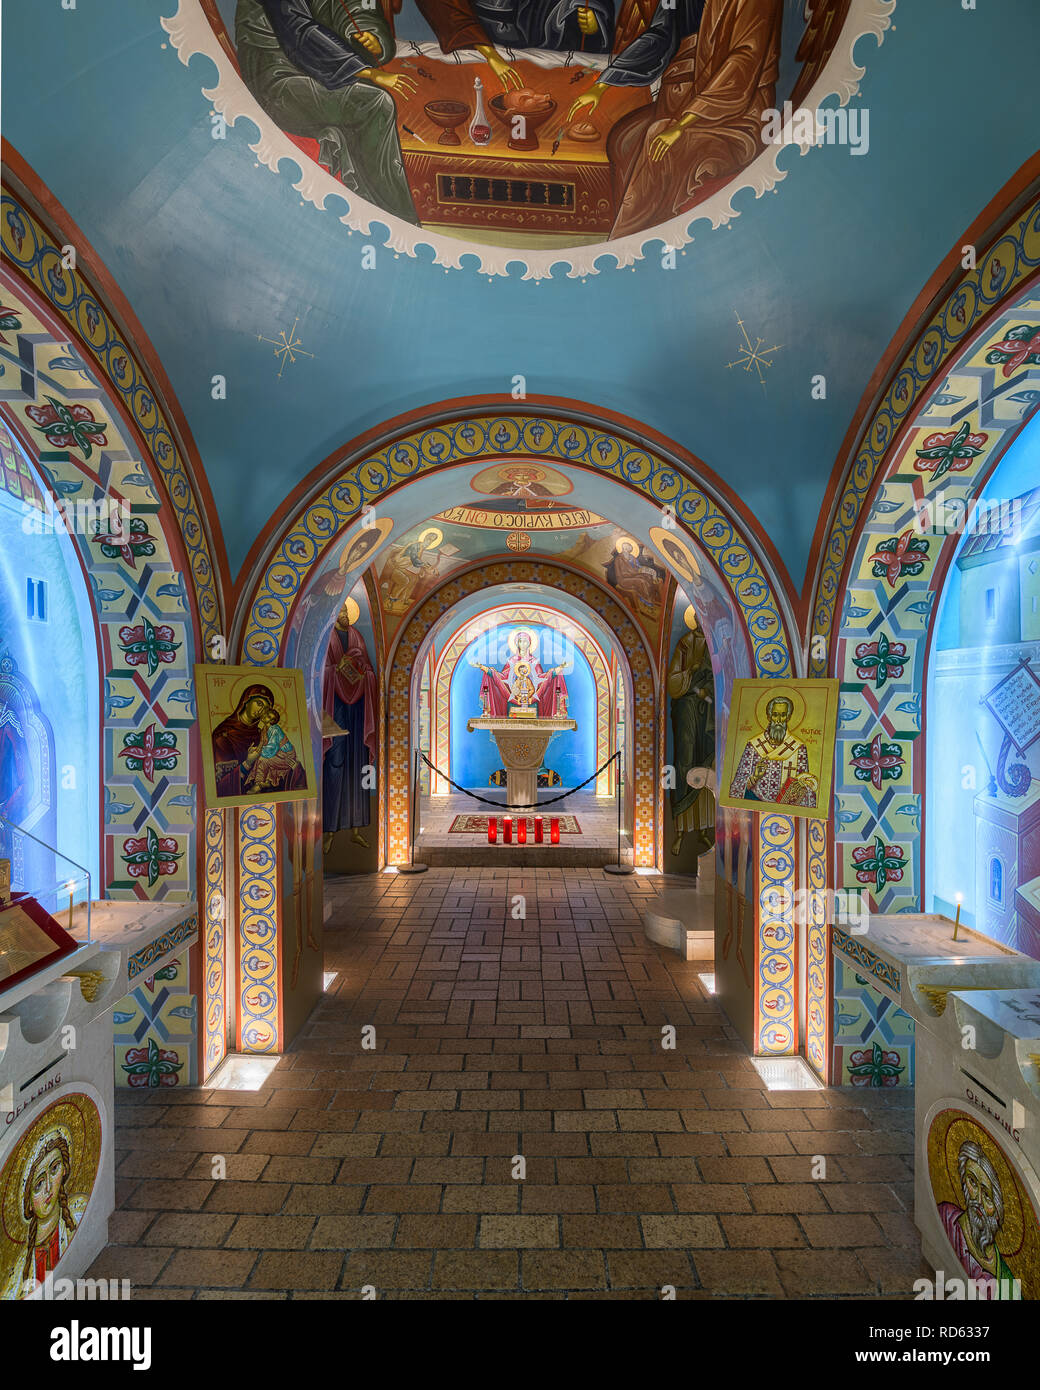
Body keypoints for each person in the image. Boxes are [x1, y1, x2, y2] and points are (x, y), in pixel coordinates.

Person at [569, 0, 781, 238]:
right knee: (624, 139)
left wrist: (682, 125)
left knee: (657, 141)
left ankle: (630, 241)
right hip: (679, 102)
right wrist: (603, 85)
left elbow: (743, 63)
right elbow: (660, 35)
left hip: (733, 115)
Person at [235, 0, 420, 225]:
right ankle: (398, 221)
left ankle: (373, 212)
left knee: (391, 100)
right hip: (277, 77)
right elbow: (298, 32)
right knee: (375, 103)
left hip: (322, 71)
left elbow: (363, 8)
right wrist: (367, 72)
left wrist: (374, 40)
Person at [322, 602, 378, 848]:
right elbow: (319, 672)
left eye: (347, 612)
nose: (346, 616)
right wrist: (337, 670)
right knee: (335, 762)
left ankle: (356, 827)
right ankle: (329, 830)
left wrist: (363, 672)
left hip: (358, 710)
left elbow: (369, 669)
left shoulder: (356, 636)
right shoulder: (326, 637)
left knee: (359, 763)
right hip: (335, 707)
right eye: (342, 612)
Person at [937, 1141, 1017, 1298]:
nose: (977, 1200)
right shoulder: (946, 1217)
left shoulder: (1007, 1283)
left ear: (999, 1210)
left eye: (987, 1196)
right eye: (972, 1182)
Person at [667, 619, 714, 856]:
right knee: (685, 761)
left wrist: (709, 690)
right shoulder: (686, 643)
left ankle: (705, 829)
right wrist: (692, 671)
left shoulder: (718, 641)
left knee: (708, 763)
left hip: (708, 714)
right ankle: (681, 830)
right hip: (687, 710)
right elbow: (673, 683)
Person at [212, 684, 306, 798]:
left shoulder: (261, 733)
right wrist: (247, 763)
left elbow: (277, 757)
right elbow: (219, 786)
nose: (261, 710)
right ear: (246, 701)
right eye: (259, 704)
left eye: (266, 709)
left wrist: (295, 768)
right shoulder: (223, 735)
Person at [728, 693, 817, 807]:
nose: (779, 720)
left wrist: (802, 786)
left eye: (783, 715)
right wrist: (754, 777)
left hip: (787, 807)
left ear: (788, 717)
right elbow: (737, 784)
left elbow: (803, 785)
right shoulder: (754, 745)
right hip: (755, 801)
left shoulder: (798, 747)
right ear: (769, 716)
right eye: (775, 715)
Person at [243, 706, 302, 792]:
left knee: (263, 760)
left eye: (269, 717)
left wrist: (258, 752)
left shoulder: (275, 729)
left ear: (272, 721)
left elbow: (271, 749)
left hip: (286, 756)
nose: (265, 716)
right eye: (266, 714)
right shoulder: (264, 729)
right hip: (277, 754)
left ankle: (258, 785)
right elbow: (262, 744)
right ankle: (265, 782)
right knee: (261, 760)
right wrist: (256, 749)